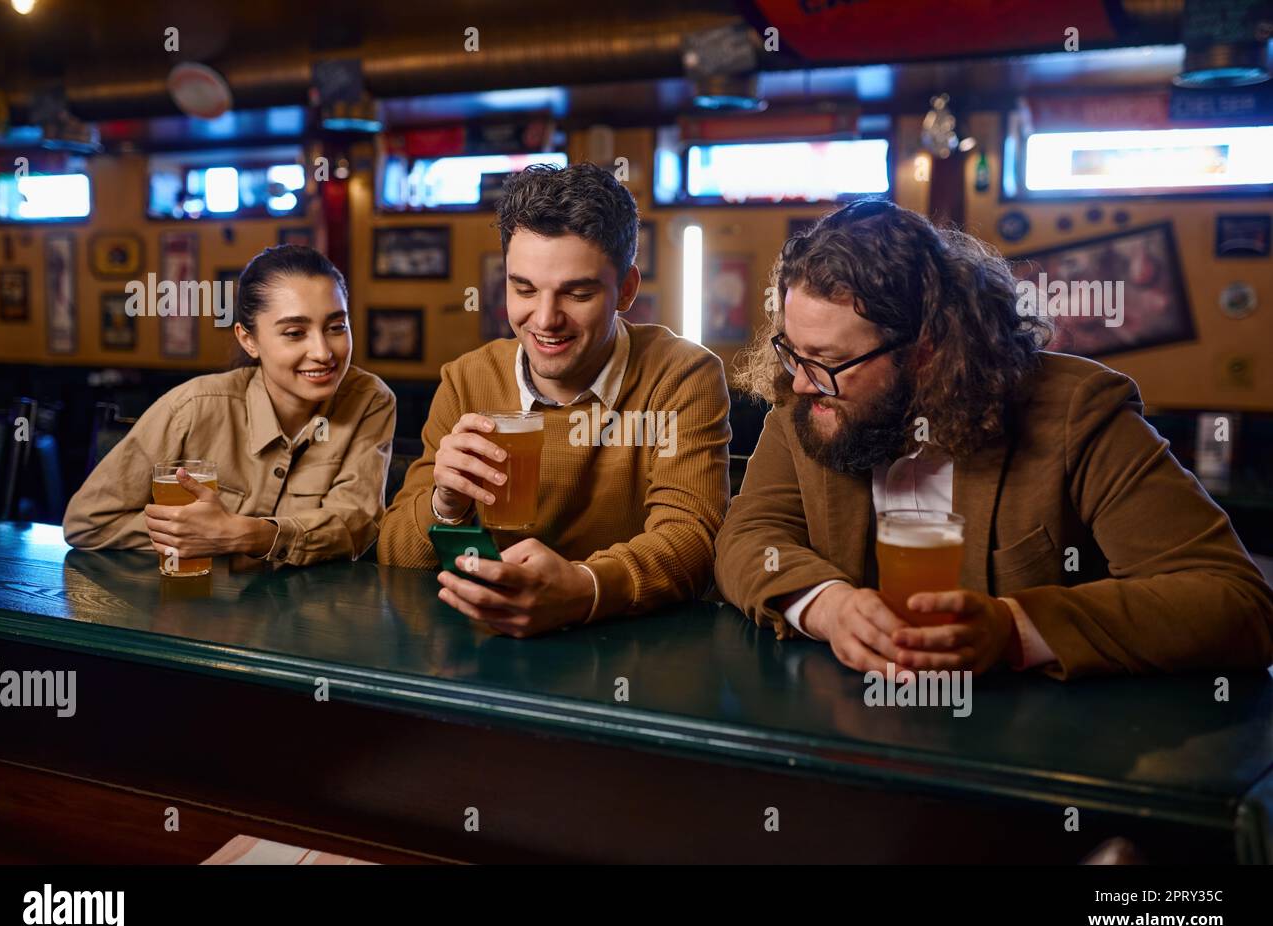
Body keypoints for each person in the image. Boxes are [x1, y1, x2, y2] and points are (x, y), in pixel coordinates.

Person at [714, 199, 1273, 679]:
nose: (798, 380)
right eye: (793, 351)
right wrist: (826, 606)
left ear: (927, 349)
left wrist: (1012, 630)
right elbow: (749, 537)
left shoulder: (1077, 414)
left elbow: (1234, 602)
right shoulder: (810, 401)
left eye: (831, 361)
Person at [377, 163, 730, 636]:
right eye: (523, 289)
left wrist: (583, 588)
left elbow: (692, 544)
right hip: (487, 655)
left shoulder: (682, 376)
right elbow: (394, 555)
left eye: (577, 293)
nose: (544, 319)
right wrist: (444, 504)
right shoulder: (467, 380)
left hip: (632, 651)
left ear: (625, 290)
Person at [64, 244, 396, 565]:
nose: (323, 352)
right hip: (192, 610)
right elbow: (87, 522)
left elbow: (355, 527)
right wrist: (191, 536)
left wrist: (246, 535)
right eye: (295, 333)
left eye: (337, 327)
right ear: (248, 340)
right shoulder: (193, 408)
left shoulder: (369, 400)